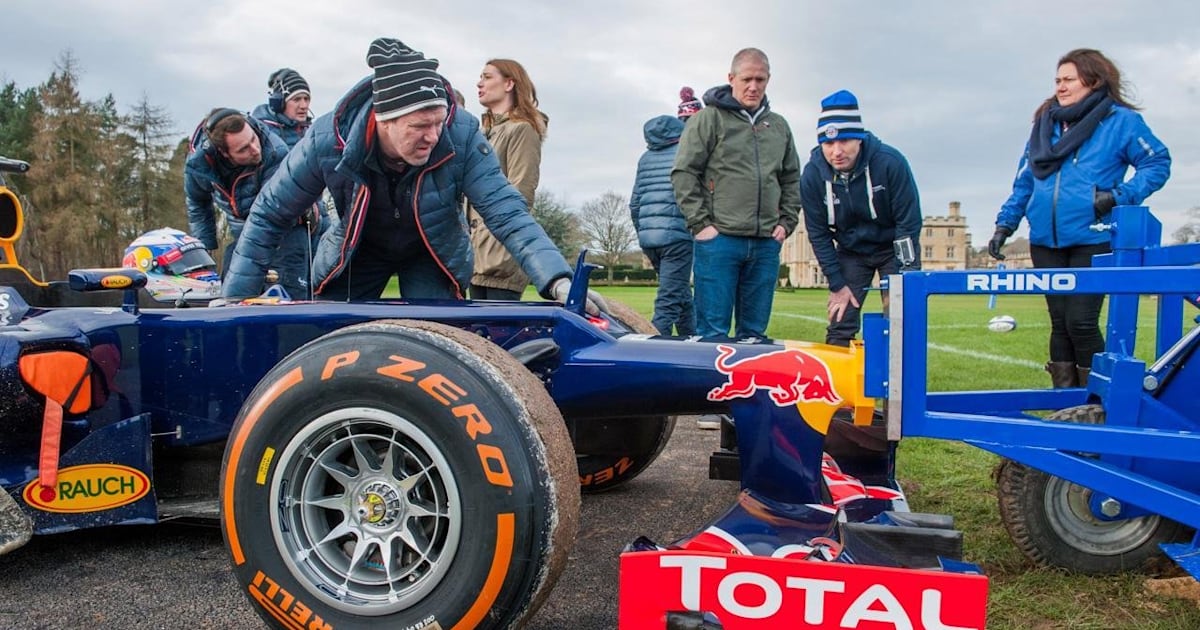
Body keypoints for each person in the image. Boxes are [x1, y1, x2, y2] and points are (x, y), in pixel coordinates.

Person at [222, 38, 600, 315]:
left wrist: (556, 279)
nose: (434, 137)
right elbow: (271, 213)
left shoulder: (462, 133)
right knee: (329, 333)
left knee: (438, 339)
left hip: (432, 251)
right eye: (420, 126)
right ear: (383, 120)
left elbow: (507, 211)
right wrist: (234, 297)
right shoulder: (326, 139)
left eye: (438, 123)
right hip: (357, 248)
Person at [989, 48, 1170, 388]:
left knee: (1082, 323)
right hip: (1045, 240)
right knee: (1059, 323)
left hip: (1092, 237)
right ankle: (1065, 401)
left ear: (1093, 80)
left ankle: (1097, 402)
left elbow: (1157, 162)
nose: (1061, 86)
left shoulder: (1121, 122)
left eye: (1069, 79)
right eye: (1057, 80)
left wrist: (1118, 197)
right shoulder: (1045, 124)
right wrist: (1005, 224)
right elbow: (1026, 180)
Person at [671, 48, 801, 341]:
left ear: (768, 80)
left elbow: (792, 176)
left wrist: (786, 222)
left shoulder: (778, 126)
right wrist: (701, 225)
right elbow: (684, 172)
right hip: (719, 242)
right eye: (746, 79)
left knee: (754, 336)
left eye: (761, 79)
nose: (753, 86)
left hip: (766, 243)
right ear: (731, 78)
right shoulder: (708, 119)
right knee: (713, 335)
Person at [800, 90, 923, 347]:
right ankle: (838, 385)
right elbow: (819, 234)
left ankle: (899, 385)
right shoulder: (812, 175)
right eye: (828, 144)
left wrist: (905, 277)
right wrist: (837, 283)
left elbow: (907, 224)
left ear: (860, 138)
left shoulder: (890, 162)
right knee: (840, 319)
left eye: (844, 141)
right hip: (852, 252)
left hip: (892, 248)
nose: (836, 152)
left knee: (901, 319)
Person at [184, 108, 320, 299]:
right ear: (223, 153)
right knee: (230, 291)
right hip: (243, 231)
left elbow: (271, 217)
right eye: (243, 149)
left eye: (253, 139)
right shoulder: (199, 164)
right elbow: (197, 203)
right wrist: (205, 249)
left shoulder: (275, 152)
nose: (255, 150)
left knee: (288, 295)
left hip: (289, 226)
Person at [467, 59, 548, 300]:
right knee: (475, 334)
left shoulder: (522, 129)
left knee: (497, 334)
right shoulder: (481, 134)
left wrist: (498, 246)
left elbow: (521, 193)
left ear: (509, 83)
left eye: (487, 76)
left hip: (501, 253)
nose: (479, 83)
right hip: (475, 255)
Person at [629, 88, 702, 337]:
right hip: (678, 237)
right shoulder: (686, 154)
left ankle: (690, 338)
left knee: (681, 293)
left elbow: (635, 203)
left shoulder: (645, 158)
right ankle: (652, 348)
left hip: (650, 239)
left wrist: (643, 234)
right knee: (669, 300)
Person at [252, 68, 313, 149]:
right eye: (296, 99)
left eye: (306, 99)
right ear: (279, 103)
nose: (303, 106)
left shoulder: (310, 131)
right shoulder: (262, 133)